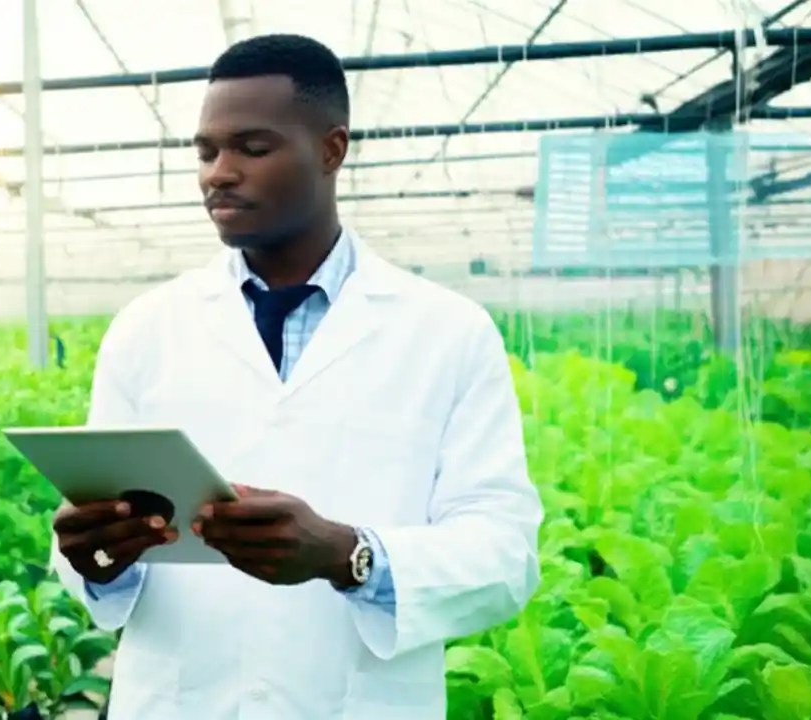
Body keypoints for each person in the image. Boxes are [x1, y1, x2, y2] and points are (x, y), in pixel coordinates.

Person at [49, 33, 543, 720]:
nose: (219, 172)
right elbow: (100, 554)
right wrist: (93, 554)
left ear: (331, 150)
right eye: (205, 151)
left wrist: (348, 555)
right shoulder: (146, 329)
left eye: (252, 148)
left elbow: (504, 556)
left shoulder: (448, 333)